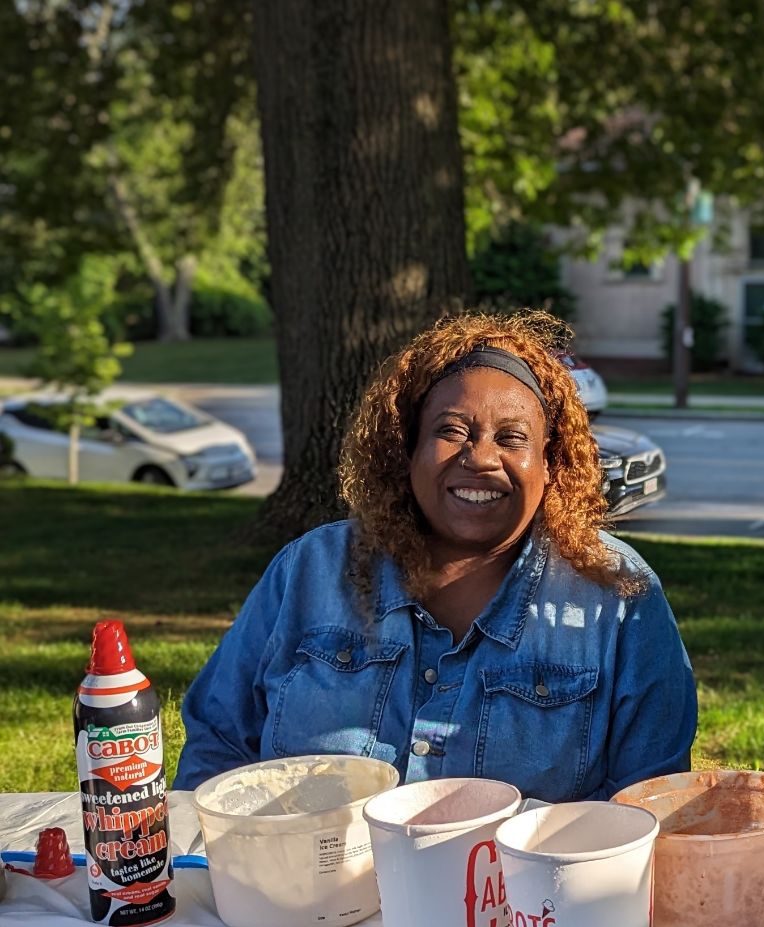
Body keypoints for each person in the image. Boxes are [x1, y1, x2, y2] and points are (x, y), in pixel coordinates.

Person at [177, 311, 697, 801]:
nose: (480, 458)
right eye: (451, 431)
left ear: (550, 465)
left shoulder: (618, 596)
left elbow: (649, 804)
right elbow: (217, 744)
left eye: (512, 438)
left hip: (525, 899)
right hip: (310, 891)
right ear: (406, 450)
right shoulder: (309, 571)